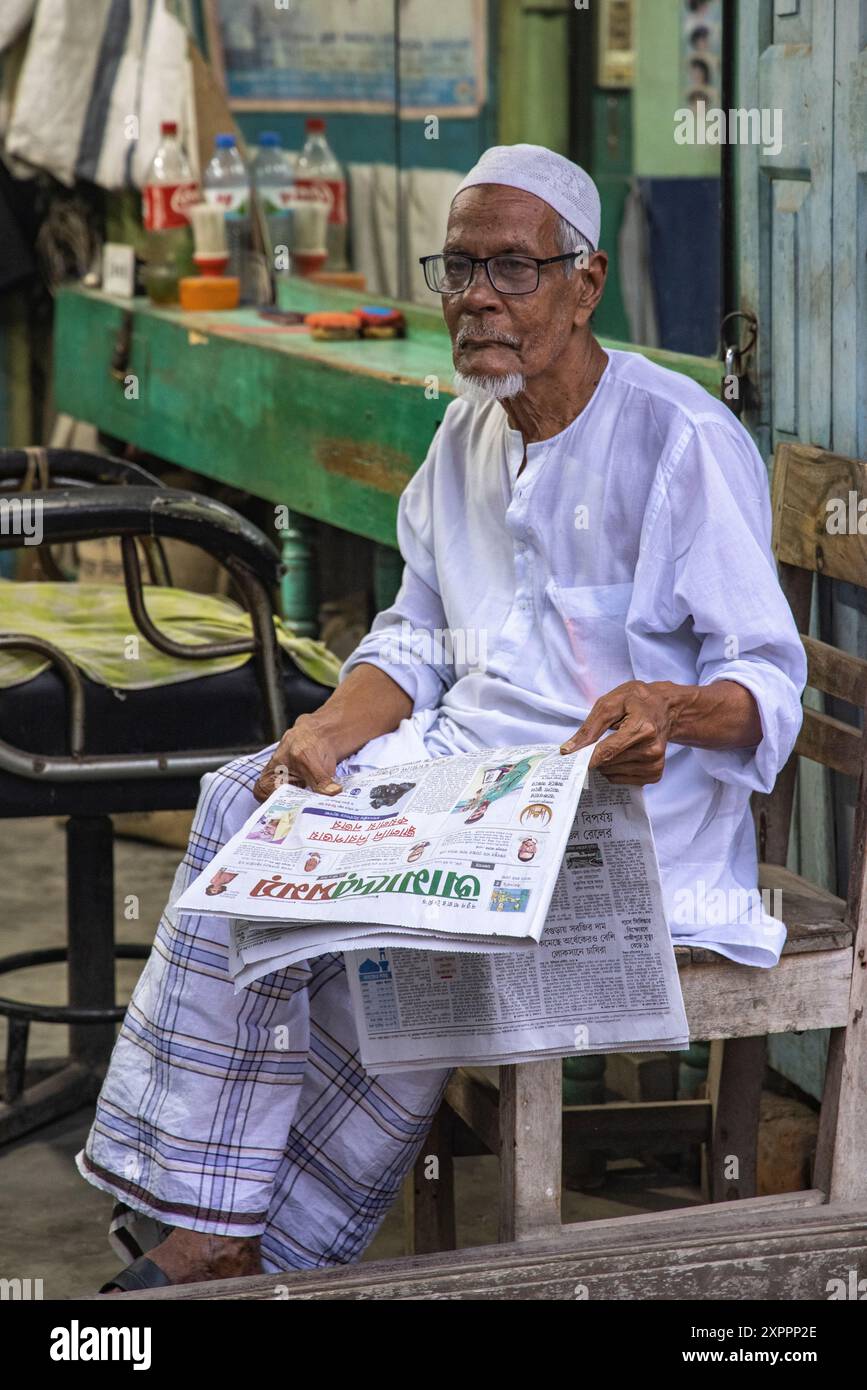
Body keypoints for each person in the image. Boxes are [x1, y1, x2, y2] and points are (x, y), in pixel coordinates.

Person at [80, 143, 805, 1289]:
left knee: (385, 913)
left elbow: (767, 678)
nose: (476, 297)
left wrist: (667, 705)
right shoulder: (468, 429)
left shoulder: (681, 438)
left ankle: (231, 1236)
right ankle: (225, 1221)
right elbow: (415, 634)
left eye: (512, 269)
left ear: (586, 279)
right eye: (458, 268)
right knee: (252, 795)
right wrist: (324, 729)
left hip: (621, 819)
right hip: (470, 782)